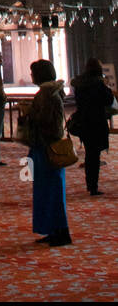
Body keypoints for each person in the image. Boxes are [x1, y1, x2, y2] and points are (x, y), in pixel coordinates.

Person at [24, 58, 71, 247]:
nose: (31, 76)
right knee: (49, 192)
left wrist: (29, 117)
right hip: (47, 147)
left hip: (46, 148)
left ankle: (60, 231)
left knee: (50, 192)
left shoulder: (46, 94)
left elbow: (45, 122)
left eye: (33, 72)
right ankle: (54, 230)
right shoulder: (51, 92)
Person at [72, 58, 113, 196]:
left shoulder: (80, 83)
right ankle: (93, 186)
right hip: (96, 122)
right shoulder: (98, 83)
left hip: (83, 121)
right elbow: (108, 100)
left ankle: (90, 184)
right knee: (94, 155)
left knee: (90, 154)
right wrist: (106, 86)